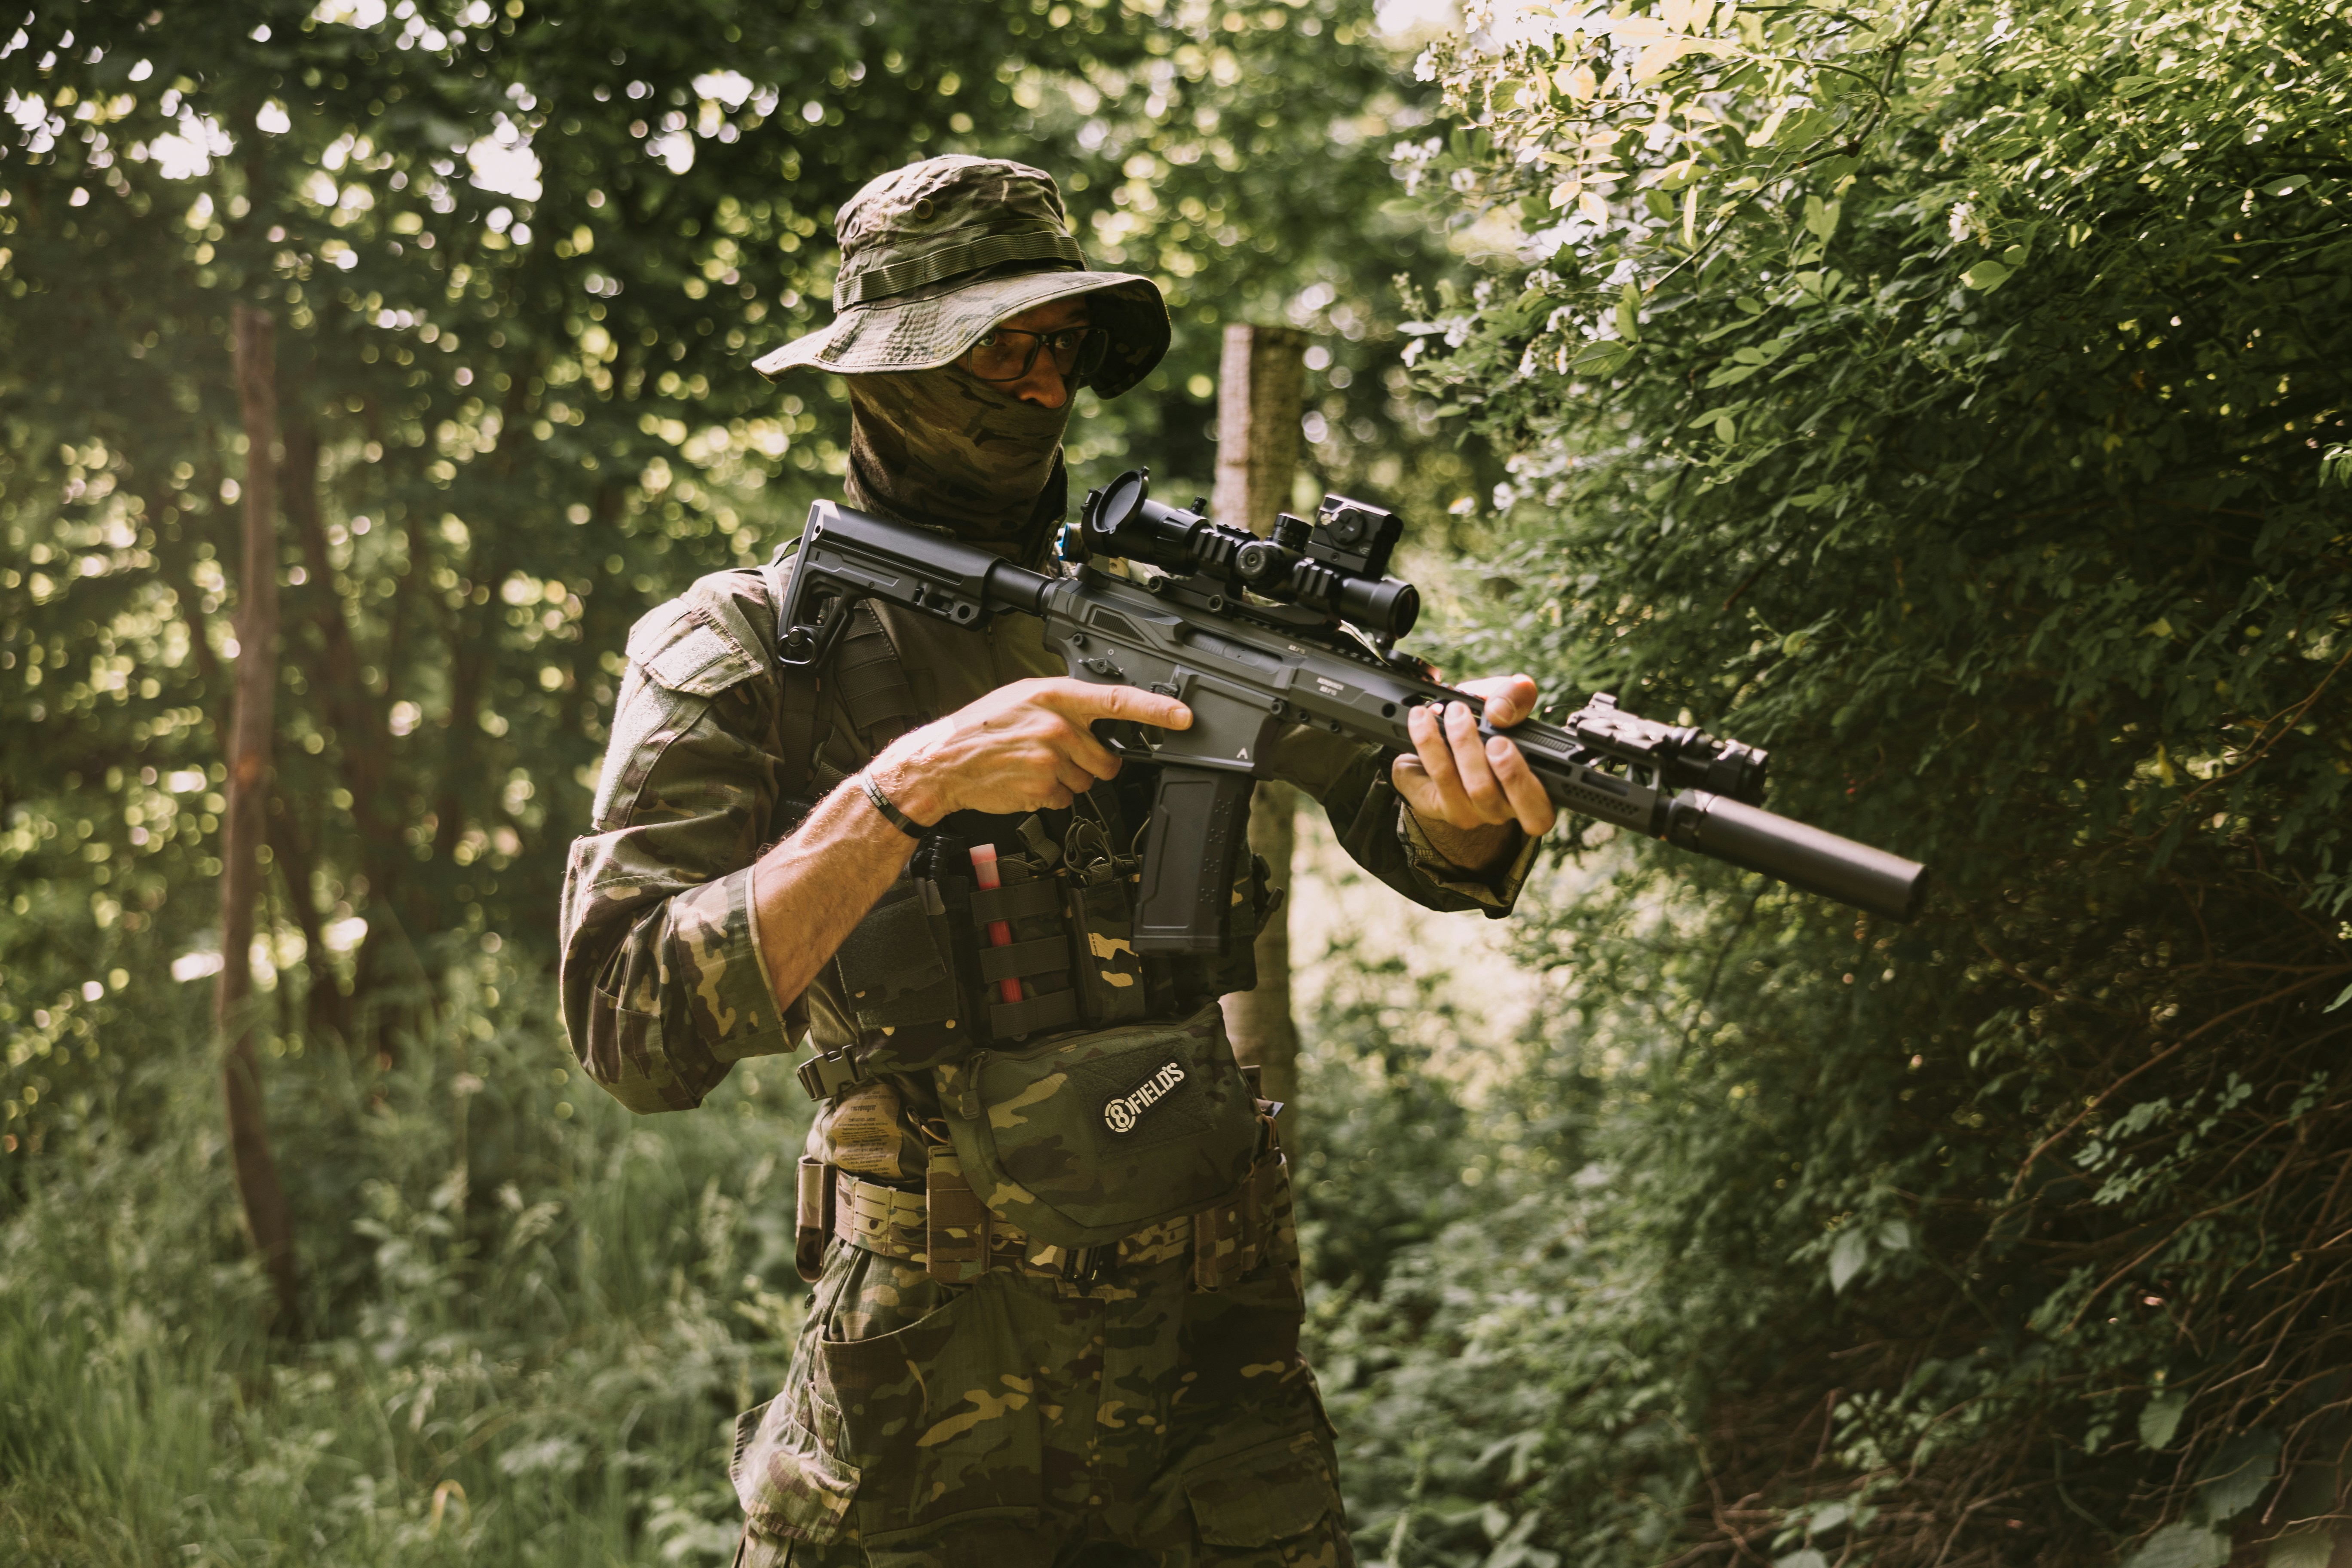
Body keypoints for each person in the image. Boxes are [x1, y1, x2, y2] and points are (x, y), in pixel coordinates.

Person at [559, 155, 1556, 1568]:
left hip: (1222, 1388)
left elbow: (1404, 815)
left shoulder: (1169, 621)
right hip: (925, 1401)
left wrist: (1466, 820)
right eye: (994, 348)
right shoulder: (743, 649)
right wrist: (905, 789)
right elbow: (630, 1025)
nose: (1039, 388)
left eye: (1061, 349)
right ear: (877, 372)